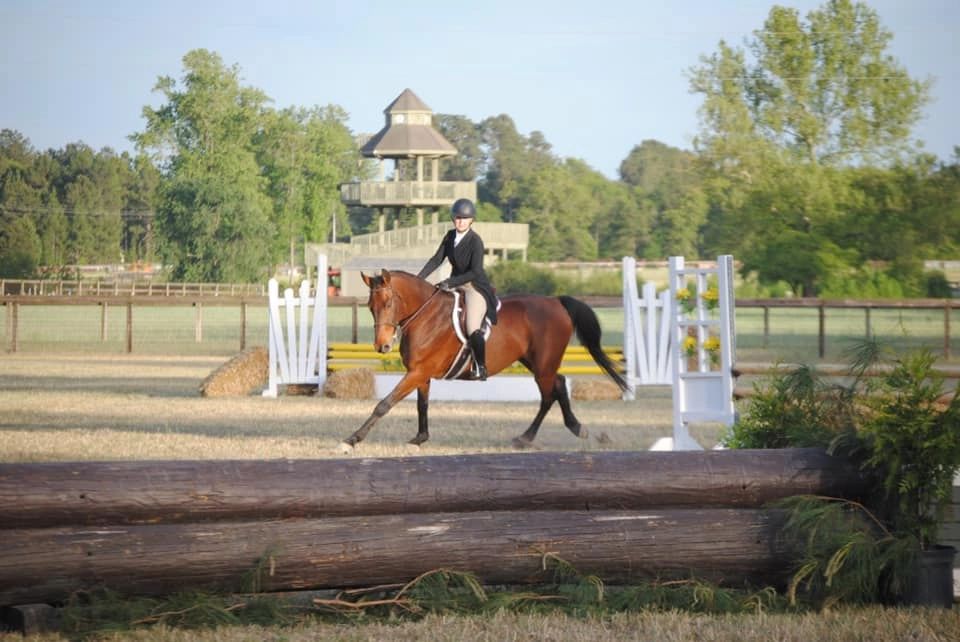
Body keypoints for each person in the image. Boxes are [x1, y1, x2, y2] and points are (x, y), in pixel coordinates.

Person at [417, 198, 497, 380]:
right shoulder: (450, 236)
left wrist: (450, 283)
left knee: (471, 326)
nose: (460, 221)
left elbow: (475, 271)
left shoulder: (476, 241)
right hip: (453, 282)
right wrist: (418, 280)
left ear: (471, 220)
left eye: (464, 218)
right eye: (457, 218)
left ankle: (480, 367)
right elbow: (436, 260)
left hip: (474, 286)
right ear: (453, 219)